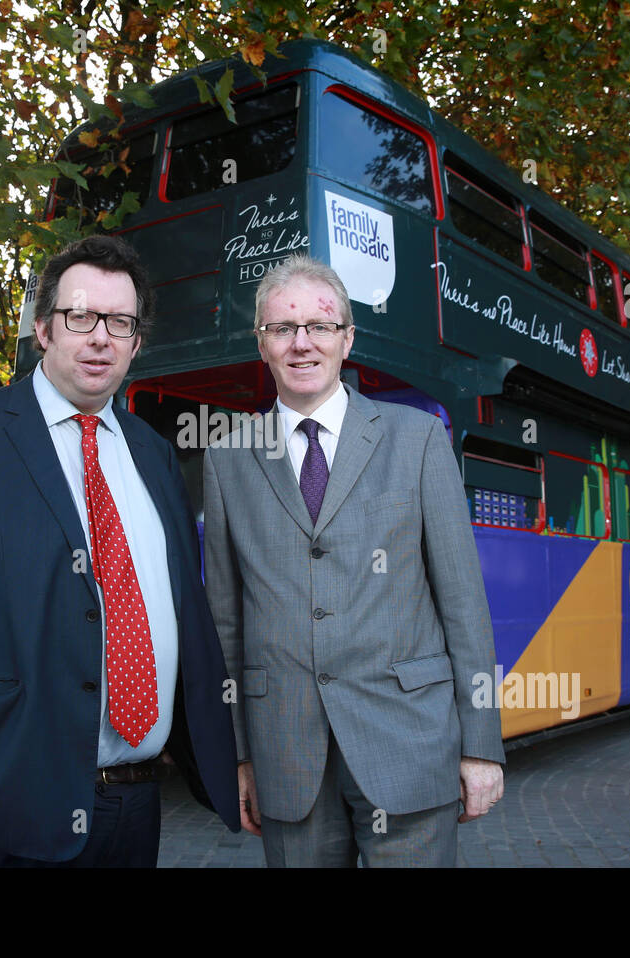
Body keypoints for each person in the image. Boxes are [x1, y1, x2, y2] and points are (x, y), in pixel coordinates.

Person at [0, 234, 240, 866]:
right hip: (6, 803)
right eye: (80, 317)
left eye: (120, 322)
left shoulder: (153, 454)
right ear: (43, 329)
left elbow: (177, 605)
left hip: (136, 805)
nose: (101, 336)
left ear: (136, 341)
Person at [202, 254, 505, 867]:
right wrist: (237, 755)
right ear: (261, 343)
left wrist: (481, 747)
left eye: (319, 326)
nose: (302, 343)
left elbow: (463, 603)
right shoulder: (228, 457)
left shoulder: (417, 438)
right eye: (282, 329)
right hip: (284, 755)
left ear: (347, 339)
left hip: (410, 744)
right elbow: (225, 623)